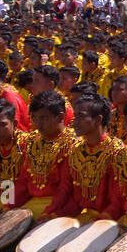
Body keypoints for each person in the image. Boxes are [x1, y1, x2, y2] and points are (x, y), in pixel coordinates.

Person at [48, 96, 122, 222]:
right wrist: (53, 212)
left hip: (108, 220)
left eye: (81, 116)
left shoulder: (116, 152)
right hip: (81, 216)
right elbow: (68, 190)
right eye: (75, 116)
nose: (74, 122)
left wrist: (102, 220)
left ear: (98, 119)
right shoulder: (75, 151)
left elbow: (117, 200)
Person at [20, 91, 80, 219]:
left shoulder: (73, 144)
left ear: (60, 117)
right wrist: (6, 202)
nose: (38, 123)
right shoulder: (31, 142)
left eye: (43, 118)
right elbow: (21, 181)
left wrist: (51, 210)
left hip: (58, 207)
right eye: (34, 118)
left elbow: (66, 187)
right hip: (29, 205)